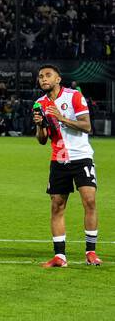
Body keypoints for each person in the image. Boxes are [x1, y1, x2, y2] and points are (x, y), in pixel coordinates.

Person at [34, 64, 100, 267]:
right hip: (59, 159)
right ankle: (59, 257)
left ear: (58, 79)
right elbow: (42, 140)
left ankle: (90, 252)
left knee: (89, 202)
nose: (43, 79)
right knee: (57, 206)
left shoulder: (73, 97)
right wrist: (39, 124)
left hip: (81, 157)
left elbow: (87, 126)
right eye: (40, 76)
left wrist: (61, 118)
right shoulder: (39, 103)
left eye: (48, 75)